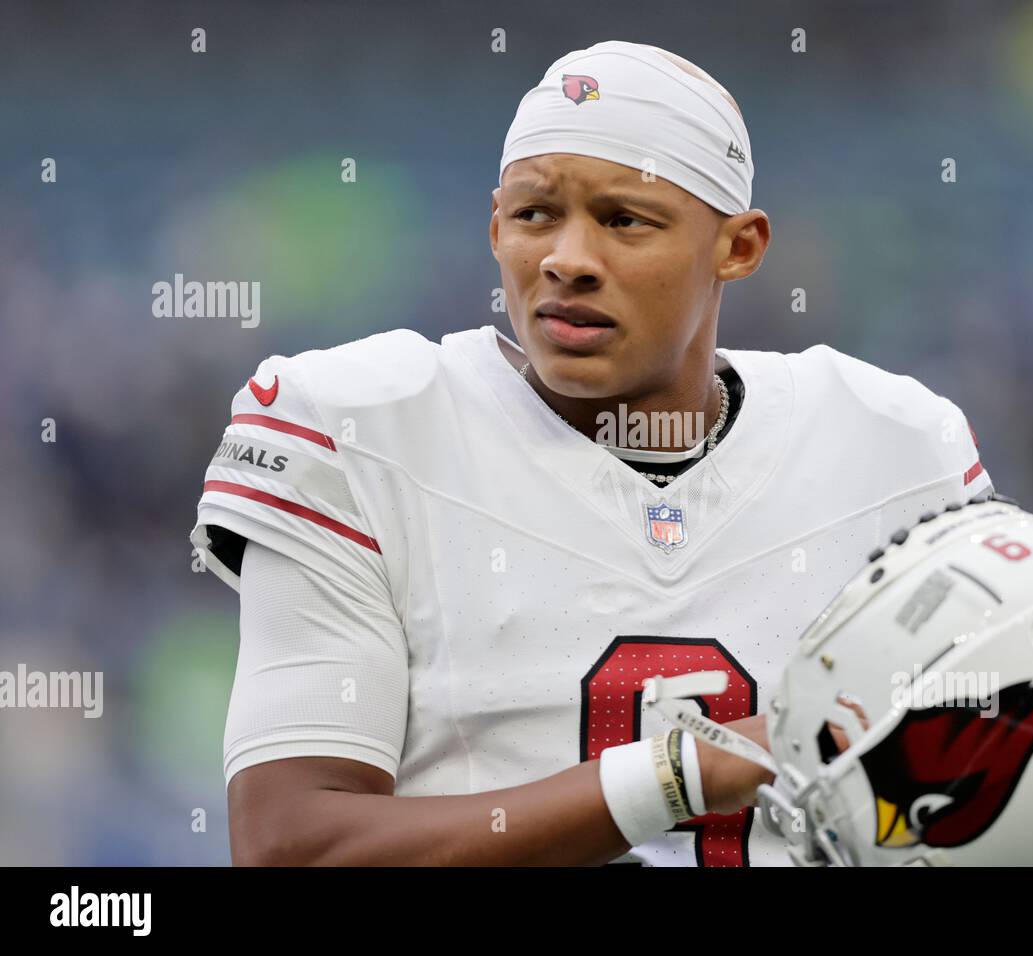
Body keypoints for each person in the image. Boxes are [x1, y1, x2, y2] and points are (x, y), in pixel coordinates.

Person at [190, 39, 992, 866]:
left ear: (739, 248)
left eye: (623, 220)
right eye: (536, 214)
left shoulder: (895, 448)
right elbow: (294, 846)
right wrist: (689, 769)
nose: (566, 260)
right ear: (496, 225)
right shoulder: (357, 429)